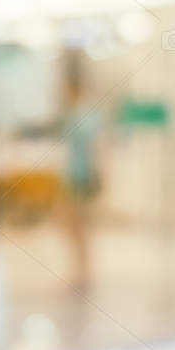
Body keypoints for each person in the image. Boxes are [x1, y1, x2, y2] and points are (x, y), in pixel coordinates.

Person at [58, 57, 104, 291]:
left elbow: (94, 146)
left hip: (81, 176)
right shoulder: (76, 113)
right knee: (73, 224)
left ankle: (83, 269)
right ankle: (79, 267)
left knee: (79, 224)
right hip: (73, 174)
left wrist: (97, 172)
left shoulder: (83, 114)